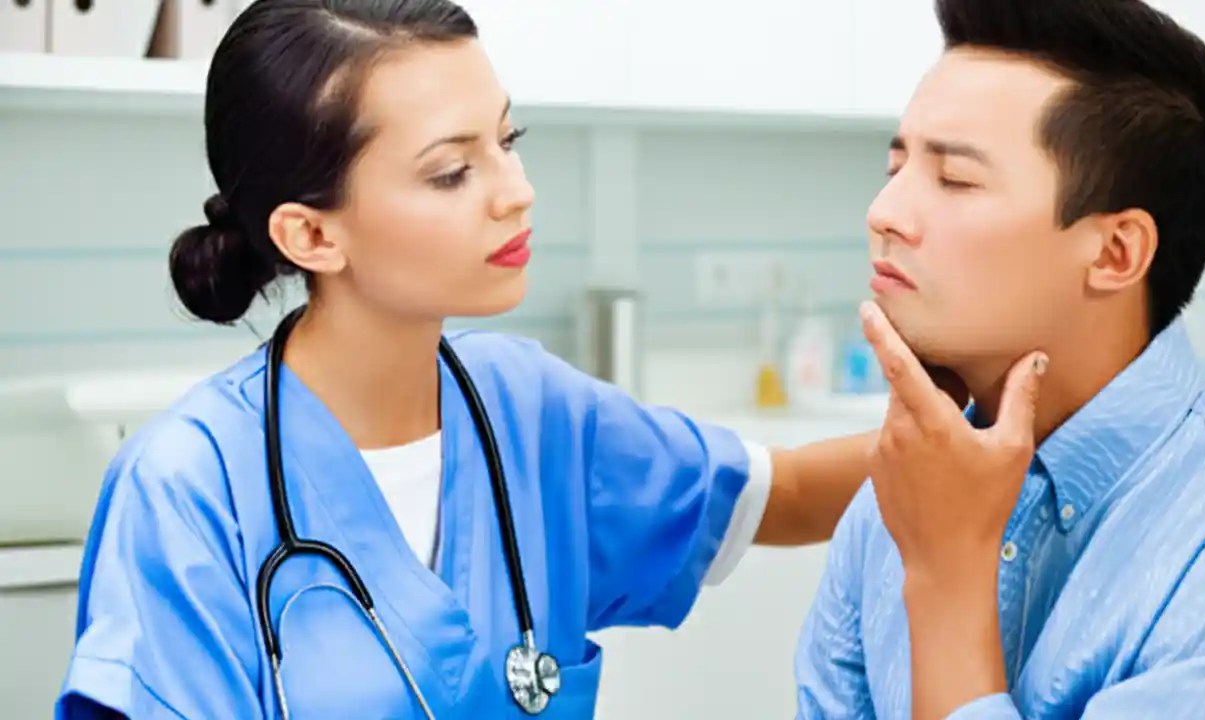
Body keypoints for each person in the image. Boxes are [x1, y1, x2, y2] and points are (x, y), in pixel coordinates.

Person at [54, 2, 878, 718]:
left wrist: (1003, 435)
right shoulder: (189, 488)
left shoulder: (531, 409)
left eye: (507, 139)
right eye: (452, 172)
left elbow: (791, 494)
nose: (515, 189)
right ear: (310, 234)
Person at [794, 0, 1205, 718]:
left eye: (954, 179)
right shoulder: (896, 496)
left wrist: (947, 580)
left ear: (1116, 253)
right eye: (895, 166)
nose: (885, 211)